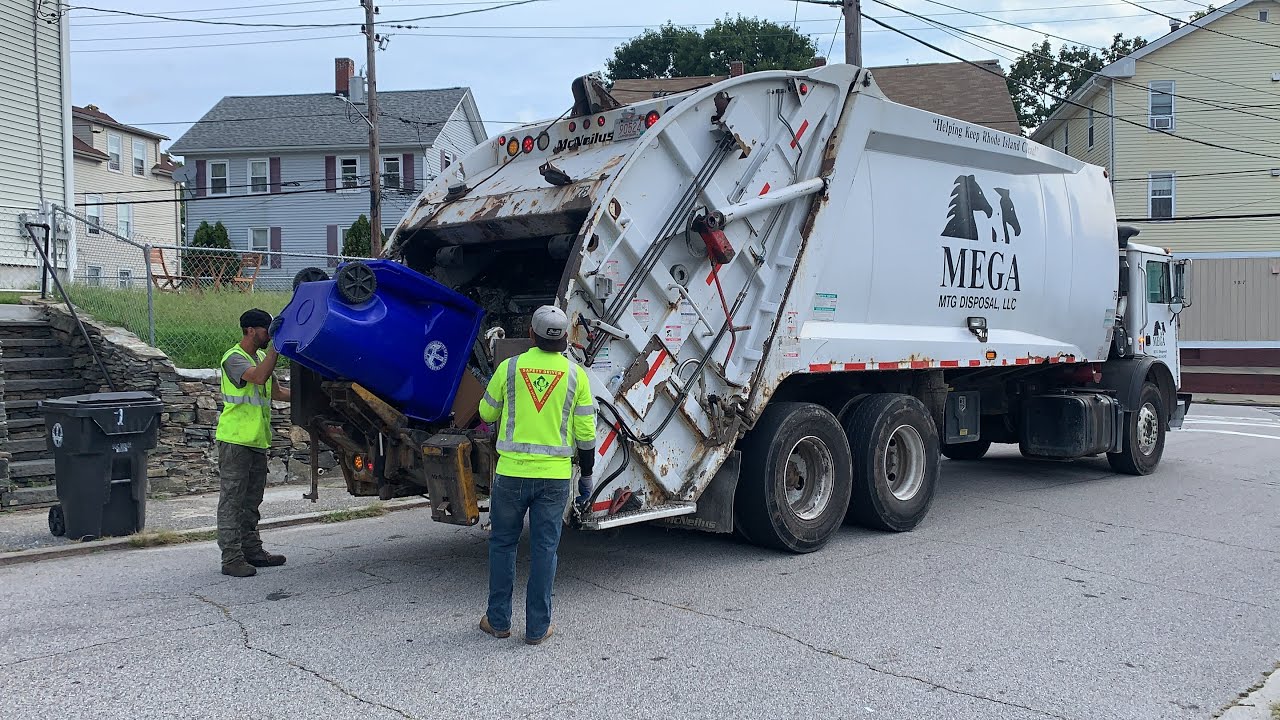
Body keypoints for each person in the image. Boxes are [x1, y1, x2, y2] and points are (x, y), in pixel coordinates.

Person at [477, 305, 596, 645]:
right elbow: (586, 434)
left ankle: (498, 621)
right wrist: (586, 475)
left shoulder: (509, 368)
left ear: (531, 334)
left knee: (502, 545)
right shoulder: (577, 376)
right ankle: (537, 628)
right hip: (555, 479)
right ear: (564, 341)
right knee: (545, 550)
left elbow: (486, 411)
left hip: (511, 474)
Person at [215, 308, 292, 578]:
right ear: (250, 330)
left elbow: (279, 392)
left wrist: (312, 397)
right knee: (232, 502)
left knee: (251, 502)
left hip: (257, 442)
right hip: (235, 442)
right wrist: (277, 347)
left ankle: (252, 551)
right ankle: (231, 559)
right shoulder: (233, 358)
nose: (268, 336)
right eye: (266, 331)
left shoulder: (259, 356)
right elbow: (258, 377)